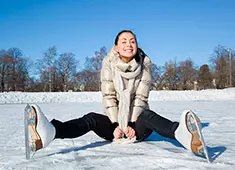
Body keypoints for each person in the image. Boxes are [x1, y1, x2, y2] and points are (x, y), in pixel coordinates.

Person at [26, 30, 206, 158]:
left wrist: (132, 125)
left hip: (138, 123)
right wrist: (116, 125)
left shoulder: (145, 64)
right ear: (116, 47)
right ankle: (51, 131)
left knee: (147, 115)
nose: (129, 44)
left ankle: (181, 133)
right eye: (124, 41)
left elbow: (141, 98)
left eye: (133, 41)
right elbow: (109, 96)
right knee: (91, 118)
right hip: (114, 122)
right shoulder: (108, 64)